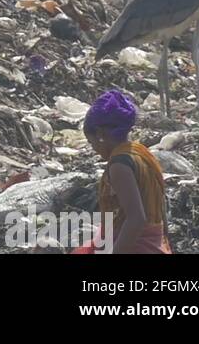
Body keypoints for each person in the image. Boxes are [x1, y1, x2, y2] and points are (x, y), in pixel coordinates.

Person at [73, 90, 172, 254]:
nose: (95, 150)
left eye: (92, 143)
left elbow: (136, 219)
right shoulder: (140, 152)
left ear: (100, 135)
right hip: (153, 242)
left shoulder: (119, 165)